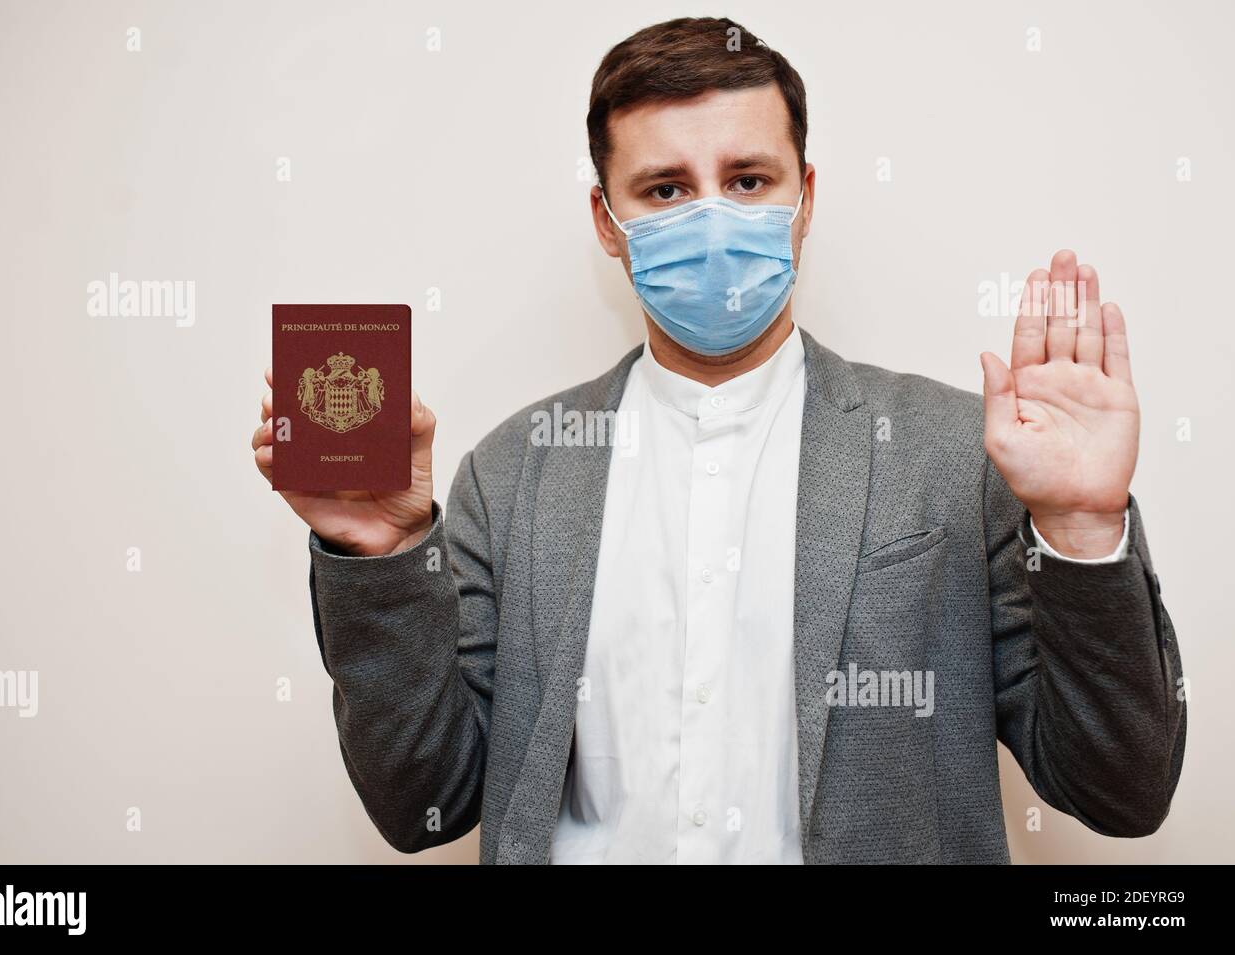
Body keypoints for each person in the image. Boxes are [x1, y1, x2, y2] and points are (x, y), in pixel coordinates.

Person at [251, 16, 1184, 864]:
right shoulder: (511, 473)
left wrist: (1082, 529)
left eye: (747, 180)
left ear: (804, 197)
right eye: (665, 188)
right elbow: (426, 802)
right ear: (606, 224)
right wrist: (380, 554)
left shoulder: (952, 452)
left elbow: (1121, 791)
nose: (711, 218)